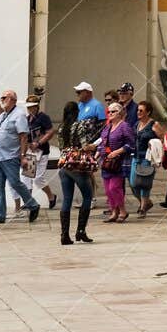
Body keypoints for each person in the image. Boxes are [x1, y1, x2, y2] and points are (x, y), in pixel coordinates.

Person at [0, 91, 40, 224]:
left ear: (12, 100)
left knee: (14, 182)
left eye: (4, 97)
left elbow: (23, 136)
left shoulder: (19, 114)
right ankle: (0, 215)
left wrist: (23, 156)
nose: (1, 100)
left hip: (11, 155)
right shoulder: (2, 116)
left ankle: (33, 205)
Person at [56, 100, 98, 245]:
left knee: (67, 199)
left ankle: (64, 234)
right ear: (76, 112)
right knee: (87, 195)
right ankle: (81, 231)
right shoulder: (79, 126)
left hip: (64, 165)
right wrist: (93, 146)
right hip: (77, 166)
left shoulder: (61, 128)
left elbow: (61, 147)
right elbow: (84, 145)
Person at [99, 99, 135, 221]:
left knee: (114, 188)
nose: (110, 113)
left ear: (120, 113)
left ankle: (123, 211)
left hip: (118, 162)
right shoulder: (107, 127)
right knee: (108, 190)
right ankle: (114, 211)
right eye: (109, 111)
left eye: (113, 111)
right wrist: (96, 155)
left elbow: (131, 144)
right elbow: (102, 143)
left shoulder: (124, 126)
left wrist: (117, 152)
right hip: (106, 162)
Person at [23, 94, 56, 211]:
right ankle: (29, 201)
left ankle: (51, 196)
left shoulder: (43, 117)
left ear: (37, 106)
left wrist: (39, 143)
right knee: (28, 176)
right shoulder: (27, 119)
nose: (30, 109)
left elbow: (50, 132)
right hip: (31, 150)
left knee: (37, 178)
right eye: (28, 107)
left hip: (42, 150)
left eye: (32, 106)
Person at [132, 100, 162, 216]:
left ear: (148, 112)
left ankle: (143, 207)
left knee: (145, 183)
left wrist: (154, 143)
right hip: (135, 156)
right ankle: (147, 202)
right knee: (133, 183)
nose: (138, 112)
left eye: (141, 110)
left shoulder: (154, 124)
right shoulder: (137, 124)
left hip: (147, 157)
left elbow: (163, 138)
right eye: (138, 110)